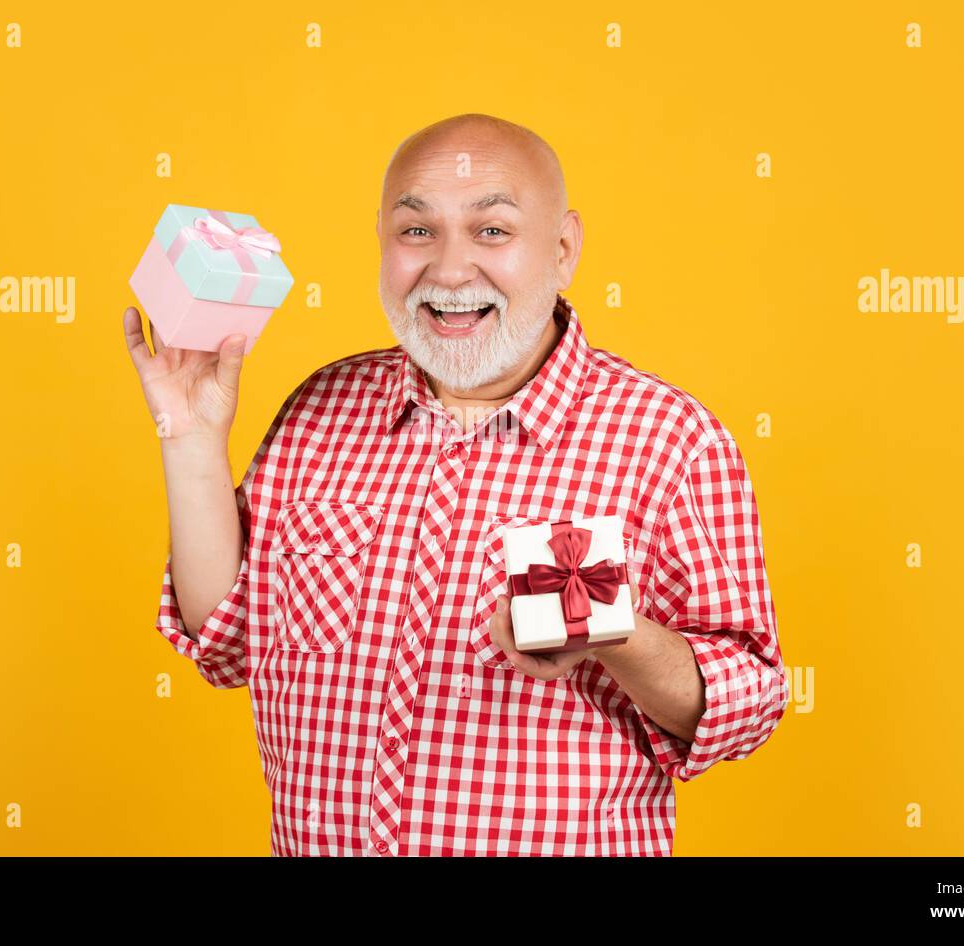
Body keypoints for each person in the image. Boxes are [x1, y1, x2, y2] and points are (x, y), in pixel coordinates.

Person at [123, 113, 788, 856]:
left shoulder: (670, 439)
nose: (448, 269)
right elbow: (228, 635)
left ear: (564, 249)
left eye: (492, 231)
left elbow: (749, 705)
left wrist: (618, 636)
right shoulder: (321, 407)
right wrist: (190, 437)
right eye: (416, 232)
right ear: (381, 240)